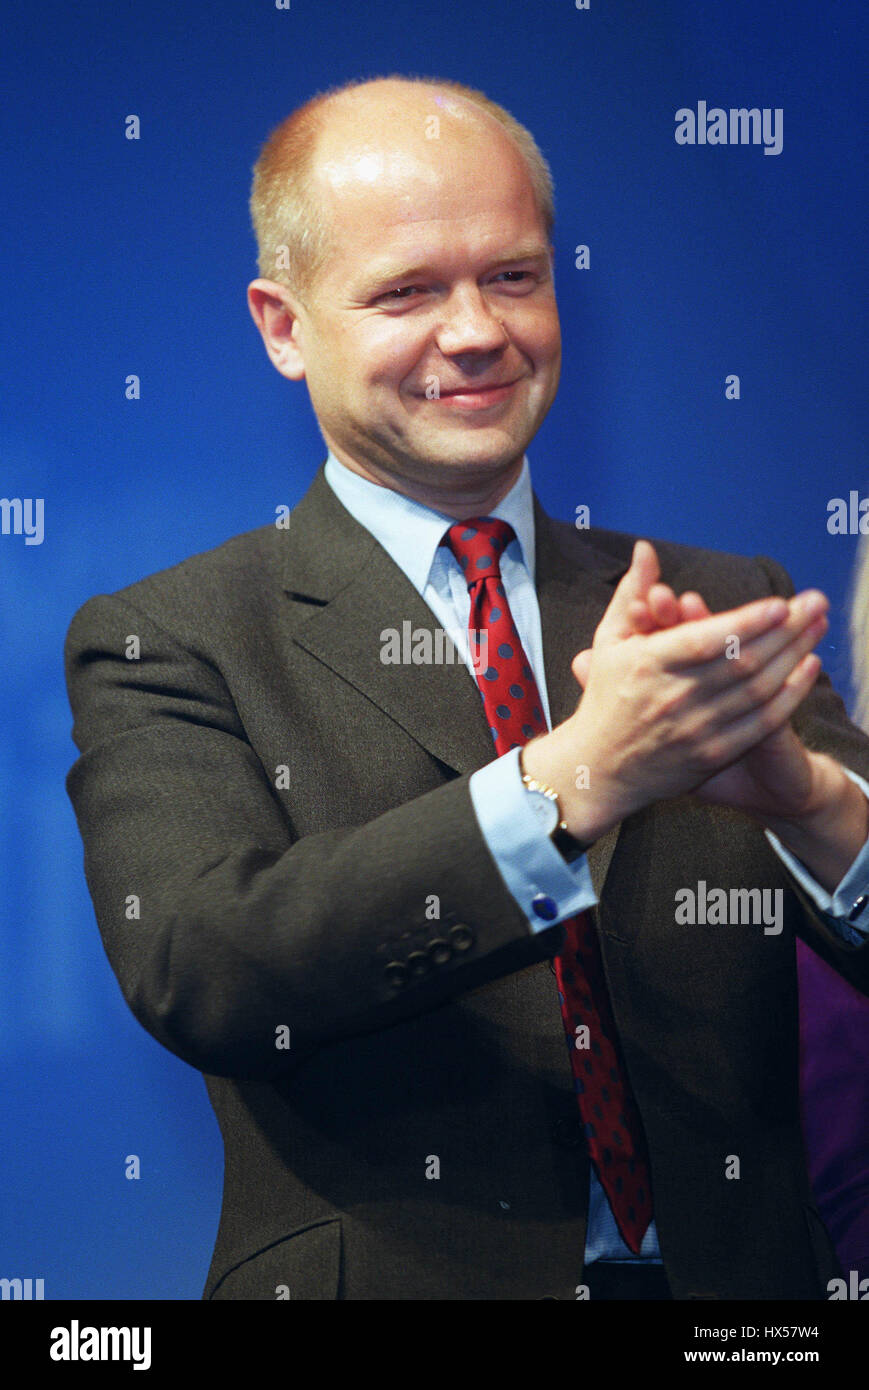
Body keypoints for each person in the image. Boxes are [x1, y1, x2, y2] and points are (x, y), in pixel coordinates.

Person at [64, 75, 869, 1301]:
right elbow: (203, 968)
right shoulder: (170, 639)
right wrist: (573, 777)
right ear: (282, 327)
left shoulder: (706, 599)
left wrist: (809, 802)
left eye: (512, 276)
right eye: (405, 292)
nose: (477, 330)